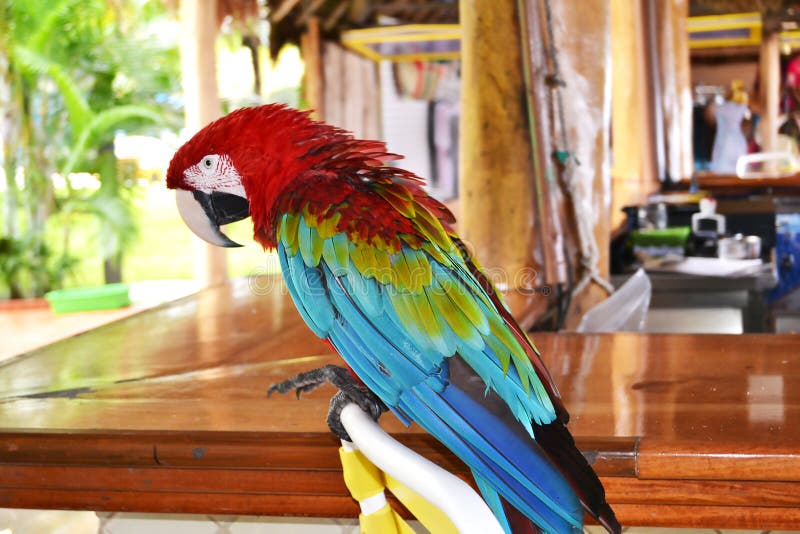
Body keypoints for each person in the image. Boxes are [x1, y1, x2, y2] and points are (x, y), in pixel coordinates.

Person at [709, 80, 750, 174]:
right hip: (735, 142)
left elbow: (710, 112)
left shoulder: (719, 108)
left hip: (724, 142)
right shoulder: (742, 106)